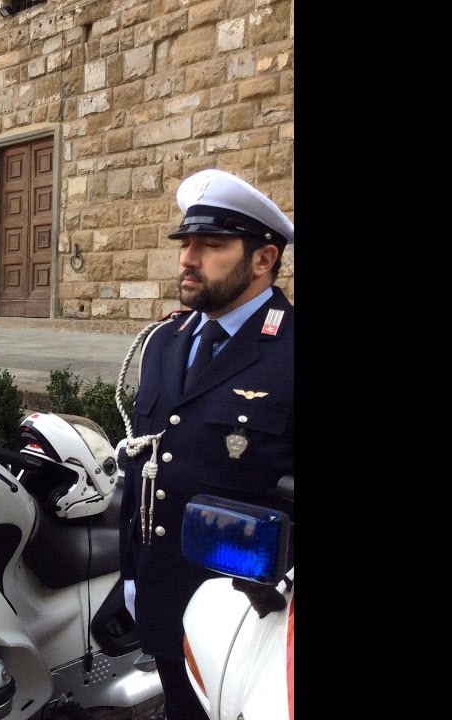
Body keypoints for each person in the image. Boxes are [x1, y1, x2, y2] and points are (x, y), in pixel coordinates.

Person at [117, 168, 294, 720]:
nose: (188, 259)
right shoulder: (167, 341)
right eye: (185, 244)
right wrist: (129, 576)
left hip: (250, 616)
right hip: (163, 593)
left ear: (263, 259)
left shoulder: (289, 349)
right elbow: (145, 465)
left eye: (211, 245)